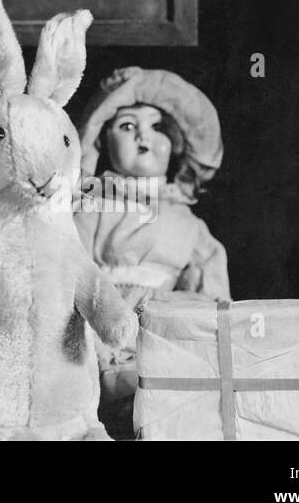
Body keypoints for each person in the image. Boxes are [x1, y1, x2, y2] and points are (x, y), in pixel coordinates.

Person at [71, 67, 230, 437]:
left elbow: (215, 301)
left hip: (162, 337)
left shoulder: (190, 226)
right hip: (99, 329)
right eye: (127, 126)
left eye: (158, 127)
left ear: (176, 143)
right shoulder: (93, 207)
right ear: (102, 141)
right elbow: (69, 271)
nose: (144, 137)